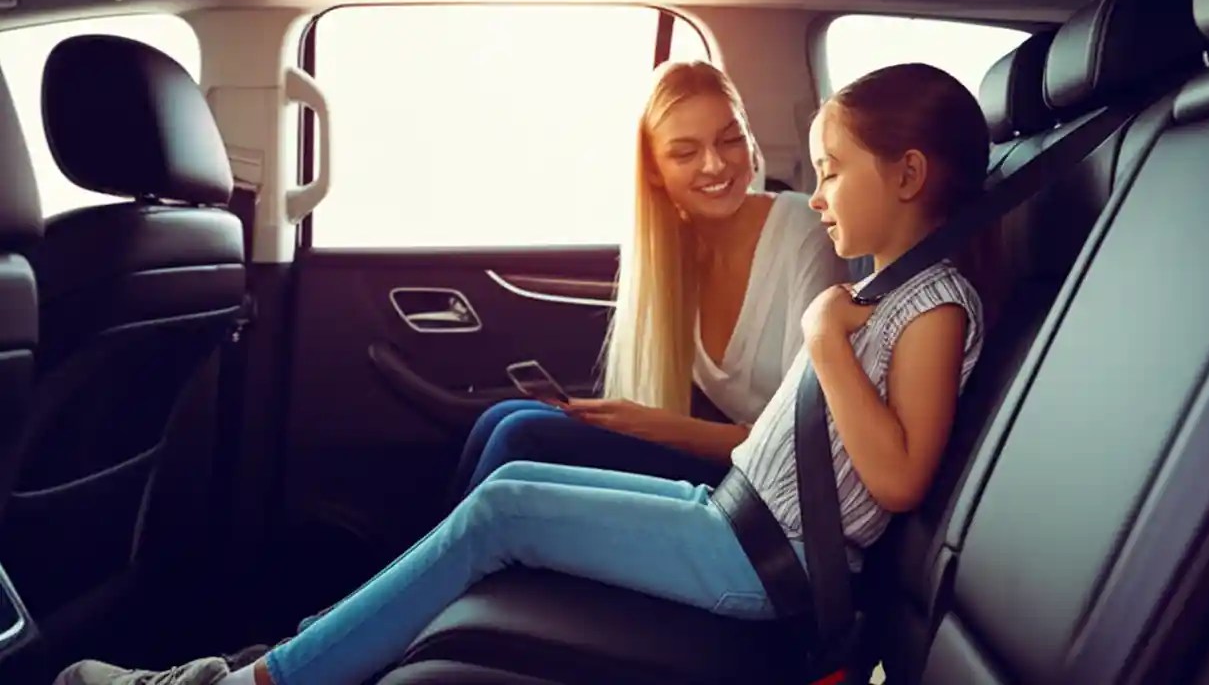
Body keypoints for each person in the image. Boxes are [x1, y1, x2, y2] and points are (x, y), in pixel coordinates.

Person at [56, 62, 989, 685]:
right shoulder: (881, 288)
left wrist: (824, 339)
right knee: (511, 475)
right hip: (734, 519)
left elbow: (901, 476)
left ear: (906, 177)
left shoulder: (930, 304)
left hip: (765, 559)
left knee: (504, 512)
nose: (812, 191)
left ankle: (255, 680)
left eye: (831, 172)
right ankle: (311, 652)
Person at [446, 59, 848, 503]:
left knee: (522, 436)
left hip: (778, 485)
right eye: (685, 152)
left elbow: (801, 434)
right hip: (734, 462)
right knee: (500, 418)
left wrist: (650, 425)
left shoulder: (803, 230)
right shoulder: (673, 256)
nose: (715, 165)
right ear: (654, 170)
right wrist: (638, 423)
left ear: (750, 143)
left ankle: (451, 571)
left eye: (730, 140)